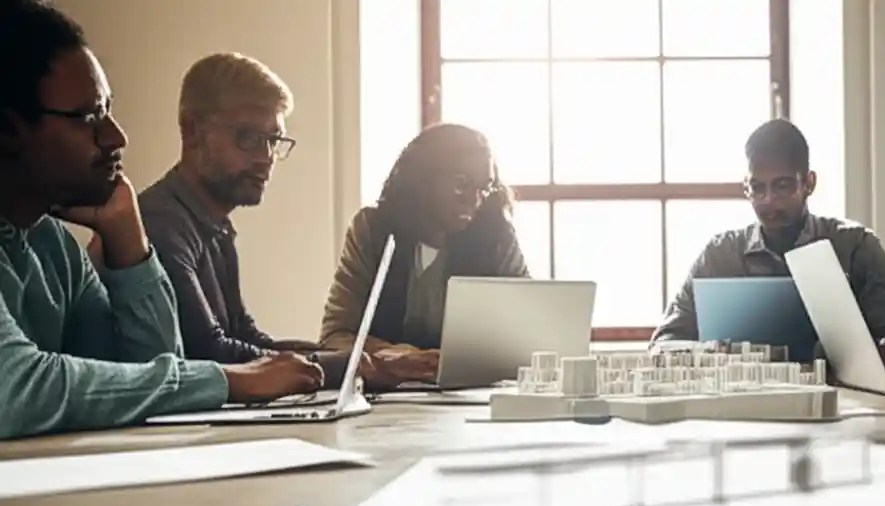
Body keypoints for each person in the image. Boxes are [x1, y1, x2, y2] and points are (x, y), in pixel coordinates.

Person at [0, 0, 319, 440]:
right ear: (9, 129)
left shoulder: (51, 245)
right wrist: (229, 381)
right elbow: (16, 390)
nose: (116, 136)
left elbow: (143, 373)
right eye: (90, 116)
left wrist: (129, 242)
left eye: (109, 110)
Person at [653, 118, 885, 347]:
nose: (768, 201)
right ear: (746, 188)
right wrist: (715, 354)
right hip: (739, 397)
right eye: (757, 188)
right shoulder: (719, 255)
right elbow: (665, 341)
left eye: (782, 186)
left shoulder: (855, 246)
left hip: (839, 399)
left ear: (809, 183)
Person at [138, 53, 327, 364]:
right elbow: (210, 351)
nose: (266, 158)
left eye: (274, 140)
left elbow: (244, 336)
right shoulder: (158, 223)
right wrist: (341, 365)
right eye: (250, 137)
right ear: (192, 130)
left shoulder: (214, 223)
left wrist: (350, 360)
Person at [320, 123, 529, 383]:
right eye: (462, 184)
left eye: (485, 188)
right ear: (423, 179)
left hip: (467, 396)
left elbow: (524, 340)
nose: (475, 199)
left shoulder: (496, 236)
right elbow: (335, 336)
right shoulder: (373, 230)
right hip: (385, 396)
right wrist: (398, 357)